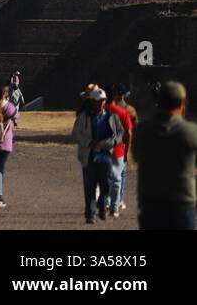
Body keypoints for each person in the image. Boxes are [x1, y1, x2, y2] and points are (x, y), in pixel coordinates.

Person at [131, 80, 197, 230]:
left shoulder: (142, 130)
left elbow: (136, 157)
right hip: (182, 202)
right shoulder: (191, 132)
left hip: (151, 202)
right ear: (183, 103)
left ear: (158, 102)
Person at [73, 86, 123, 223]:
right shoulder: (84, 117)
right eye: (98, 100)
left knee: (106, 184)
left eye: (103, 100)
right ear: (92, 101)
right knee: (90, 186)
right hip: (89, 155)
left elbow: (120, 133)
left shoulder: (112, 116)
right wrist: (88, 142)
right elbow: (76, 134)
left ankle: (102, 204)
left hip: (106, 155)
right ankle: (90, 214)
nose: (101, 103)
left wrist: (111, 142)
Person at [106, 84, 134, 216]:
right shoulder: (125, 111)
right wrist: (127, 150)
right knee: (118, 178)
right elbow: (129, 133)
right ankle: (115, 205)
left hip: (101, 149)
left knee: (103, 177)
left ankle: (105, 202)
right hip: (118, 149)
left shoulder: (98, 111)